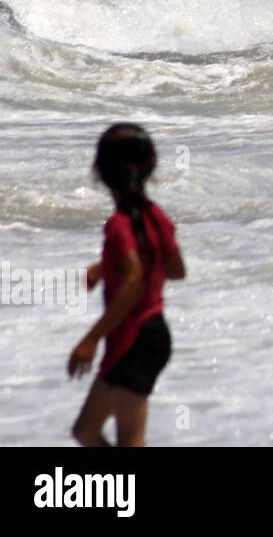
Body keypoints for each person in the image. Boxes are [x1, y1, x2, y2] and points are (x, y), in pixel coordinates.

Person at [70, 124, 185, 447]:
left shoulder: (119, 226)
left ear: (100, 173)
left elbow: (134, 280)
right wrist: (107, 267)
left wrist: (91, 338)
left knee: (130, 441)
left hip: (138, 339)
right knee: (85, 431)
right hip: (141, 337)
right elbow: (175, 269)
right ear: (150, 167)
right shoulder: (156, 217)